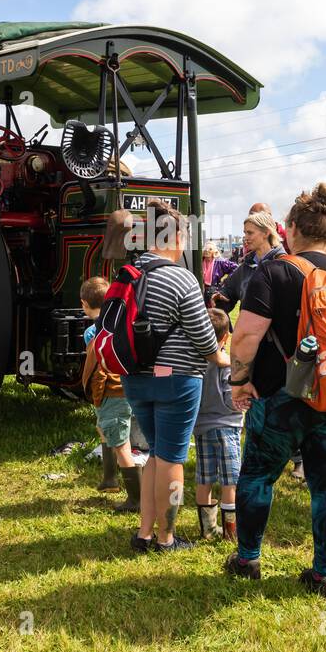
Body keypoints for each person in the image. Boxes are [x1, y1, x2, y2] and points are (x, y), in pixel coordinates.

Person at [225, 184, 326, 597]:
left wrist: (240, 382)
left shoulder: (272, 273)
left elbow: (244, 339)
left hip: (281, 397)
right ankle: (324, 574)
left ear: (290, 229)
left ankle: (248, 558)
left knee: (258, 476)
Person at [122, 201, 219, 553]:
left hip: (135, 379)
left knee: (155, 455)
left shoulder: (129, 273)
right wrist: (221, 357)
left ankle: (144, 533)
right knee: (173, 459)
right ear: (175, 236)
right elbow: (204, 336)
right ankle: (167, 537)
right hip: (177, 381)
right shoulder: (181, 278)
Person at [80, 276, 142, 513]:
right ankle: (110, 480)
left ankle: (136, 500)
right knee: (107, 431)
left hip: (111, 392)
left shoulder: (92, 333)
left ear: (84, 303)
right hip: (119, 391)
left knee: (121, 445)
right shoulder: (120, 324)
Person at [193, 307, 241, 541]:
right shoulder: (226, 363)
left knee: (205, 478)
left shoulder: (195, 362)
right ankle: (231, 532)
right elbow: (230, 398)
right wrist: (243, 404)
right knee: (229, 481)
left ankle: (207, 530)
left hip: (201, 427)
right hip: (227, 427)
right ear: (225, 338)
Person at [212, 211, 283, 316]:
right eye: (245, 233)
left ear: (266, 233)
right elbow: (229, 289)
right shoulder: (247, 265)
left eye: (250, 233)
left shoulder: (282, 263)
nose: (245, 237)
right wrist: (221, 296)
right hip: (246, 330)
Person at [200, 241, 236, 306]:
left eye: (210, 249)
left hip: (214, 291)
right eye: (205, 249)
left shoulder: (220, 261)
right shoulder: (201, 260)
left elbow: (236, 268)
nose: (207, 251)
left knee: (215, 312)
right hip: (201, 290)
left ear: (214, 251)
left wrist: (227, 280)